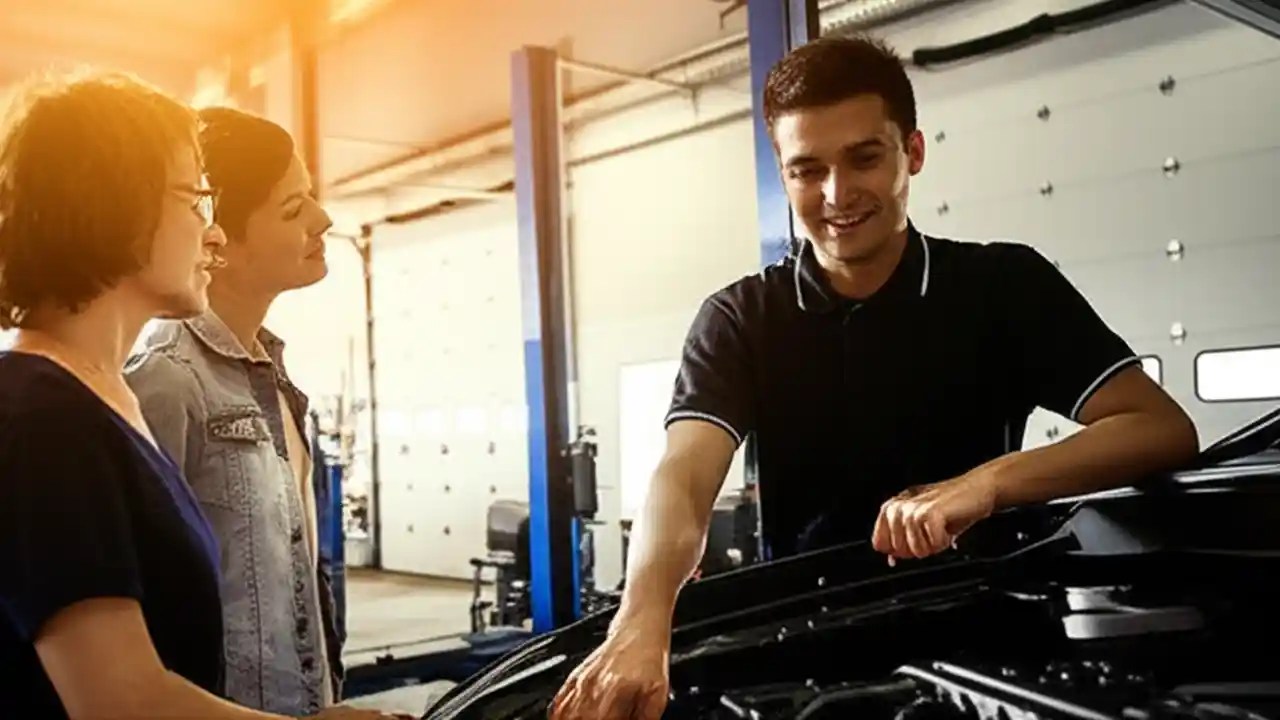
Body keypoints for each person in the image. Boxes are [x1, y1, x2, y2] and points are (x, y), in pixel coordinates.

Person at [548, 34, 1200, 720]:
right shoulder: (741, 318)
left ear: (912, 152)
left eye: (864, 157)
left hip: (986, 636)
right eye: (807, 170)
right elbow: (684, 476)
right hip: (809, 635)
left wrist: (983, 484)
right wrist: (640, 620)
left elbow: (1158, 427)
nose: (837, 195)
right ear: (783, 174)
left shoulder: (1004, 287)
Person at [0, 71, 399, 720]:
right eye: (197, 201)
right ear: (117, 208)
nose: (212, 235)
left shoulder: (97, 401)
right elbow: (119, 700)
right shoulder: (44, 417)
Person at [125, 107, 346, 716]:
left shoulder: (271, 376)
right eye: (293, 207)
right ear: (218, 236)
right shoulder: (165, 383)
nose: (323, 219)